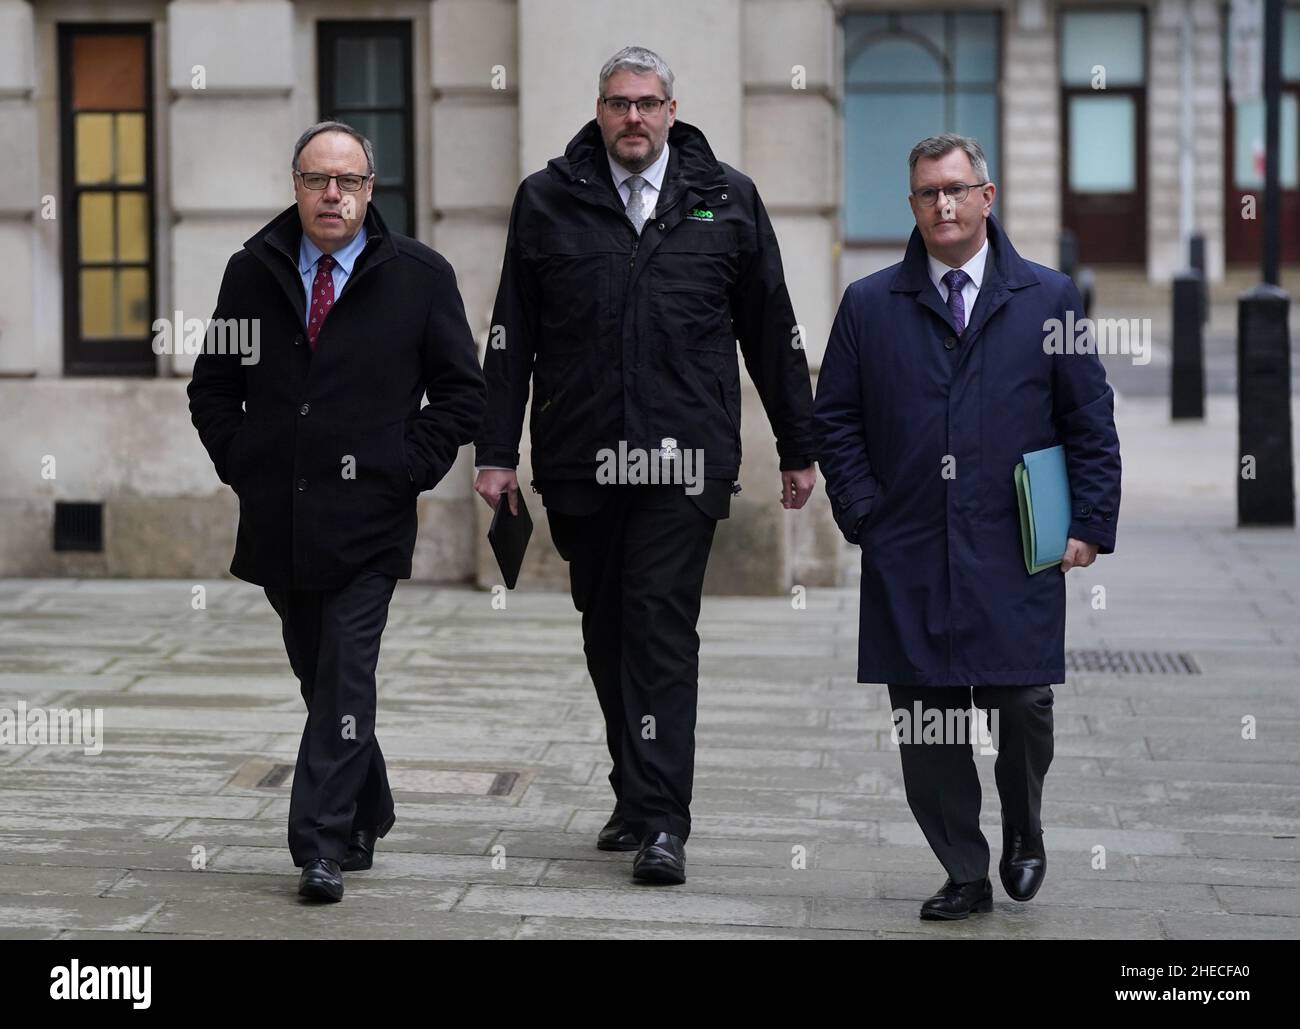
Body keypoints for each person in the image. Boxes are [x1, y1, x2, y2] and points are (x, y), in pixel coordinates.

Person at [474, 46, 817, 885]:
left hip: (683, 460)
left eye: (648, 103)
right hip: (582, 458)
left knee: (660, 627)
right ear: (600, 111)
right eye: (619, 103)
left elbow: (773, 330)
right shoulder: (547, 199)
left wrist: (799, 446)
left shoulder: (725, 199)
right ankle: (634, 789)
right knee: (605, 626)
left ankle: (665, 818)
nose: (634, 117)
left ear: (672, 110)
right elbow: (510, 331)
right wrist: (494, 451)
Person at [813, 133, 1121, 920]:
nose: (943, 205)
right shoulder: (869, 304)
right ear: (912, 205)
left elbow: (1088, 414)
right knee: (928, 715)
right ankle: (962, 865)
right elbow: (836, 419)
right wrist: (864, 515)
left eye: (956, 189)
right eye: (927, 193)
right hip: (908, 546)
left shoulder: (1048, 298)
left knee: (1023, 700)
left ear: (988, 196)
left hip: (1014, 545)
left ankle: (1024, 826)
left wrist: (1089, 521)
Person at [187, 121, 485, 902]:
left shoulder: (419, 275)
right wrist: (245, 463)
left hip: (370, 524)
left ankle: (319, 843)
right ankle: (367, 806)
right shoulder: (253, 271)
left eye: (348, 182)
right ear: (296, 185)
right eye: (318, 180)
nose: (332, 195)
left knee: (346, 675)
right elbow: (212, 386)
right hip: (280, 523)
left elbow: (461, 393)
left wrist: (406, 469)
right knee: (321, 679)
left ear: (369, 190)